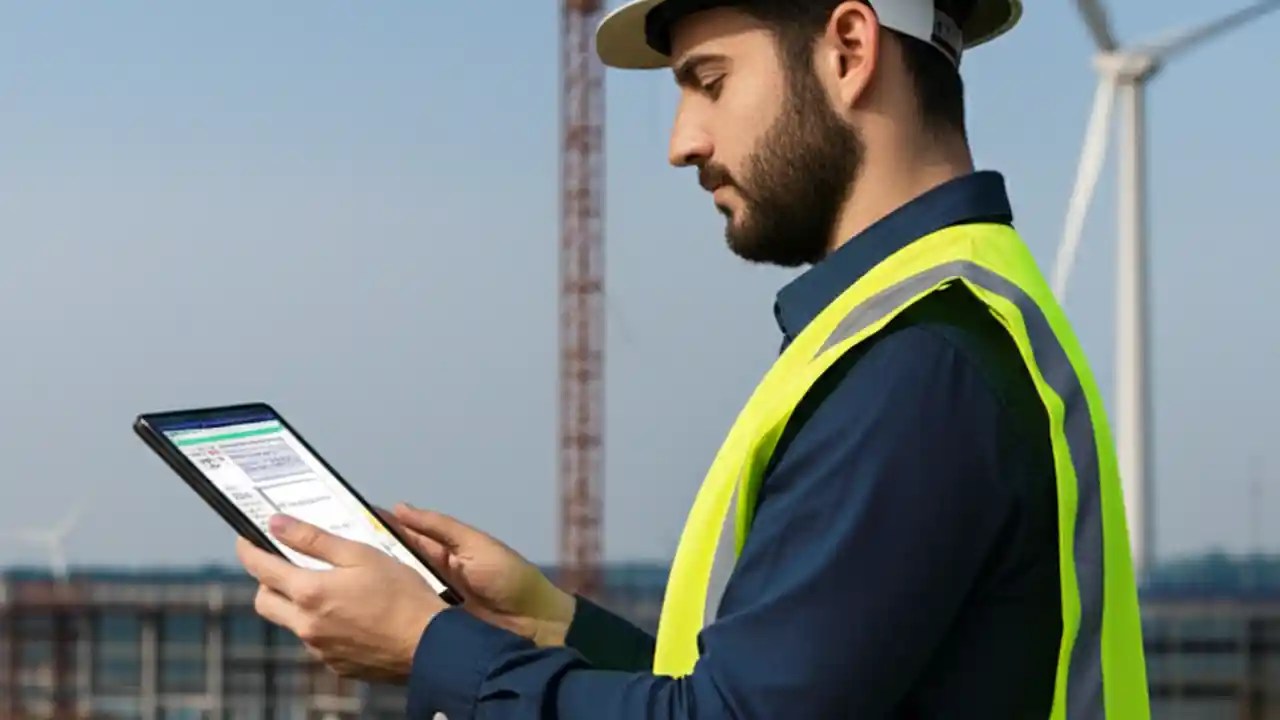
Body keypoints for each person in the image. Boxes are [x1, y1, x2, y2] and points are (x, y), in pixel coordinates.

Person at [236, 0, 1153, 717]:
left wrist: (429, 647)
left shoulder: (917, 367)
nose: (683, 142)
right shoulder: (952, 317)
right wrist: (545, 623)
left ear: (848, 49)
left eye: (708, 81)